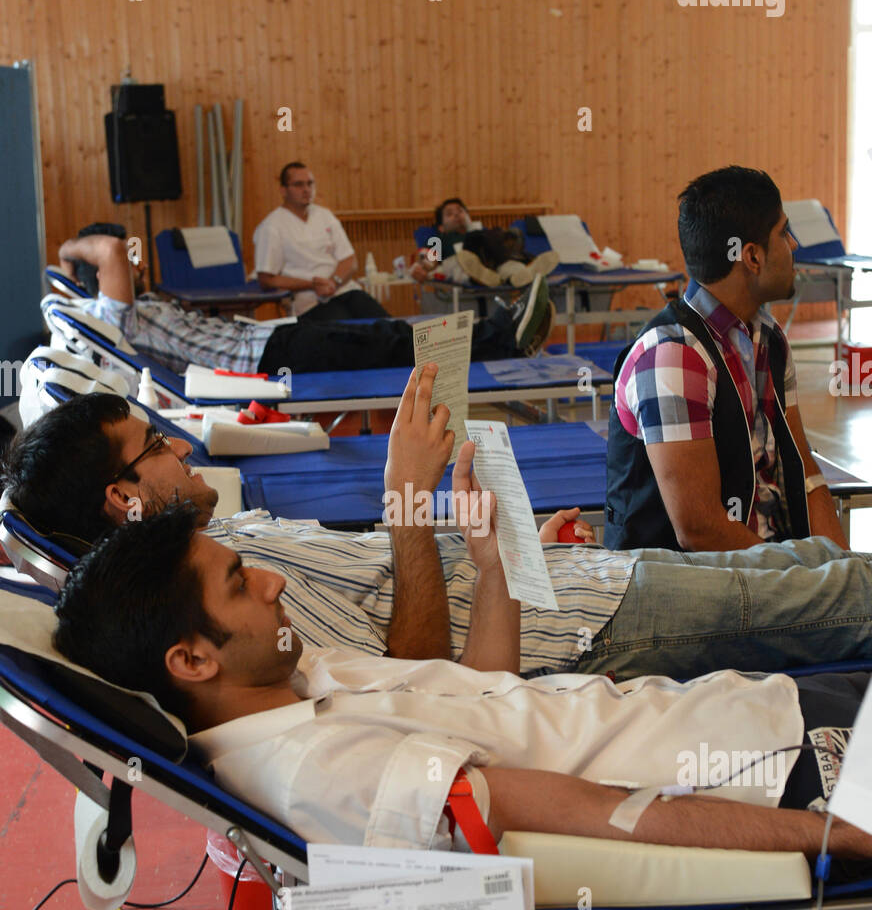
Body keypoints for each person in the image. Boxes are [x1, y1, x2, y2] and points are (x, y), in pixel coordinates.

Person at [52, 497, 872, 874]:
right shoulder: (318, 769)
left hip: (752, 710)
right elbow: (609, 817)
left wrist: (492, 569)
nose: (270, 581)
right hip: (776, 765)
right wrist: (828, 833)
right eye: (238, 582)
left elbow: (480, 693)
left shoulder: (296, 678)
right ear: (193, 661)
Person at [6, 387, 872, 683]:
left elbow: (392, 576)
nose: (181, 445)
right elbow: (415, 673)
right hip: (582, 629)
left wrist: (504, 543)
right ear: (123, 499)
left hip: (565, 584)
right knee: (836, 594)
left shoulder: (218, 540)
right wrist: (402, 494)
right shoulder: (220, 600)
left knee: (805, 560)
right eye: (155, 446)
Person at [605, 166, 849, 552]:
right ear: (751, 256)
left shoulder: (769, 339)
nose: (795, 246)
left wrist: (842, 569)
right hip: (688, 590)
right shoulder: (672, 357)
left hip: (761, 571)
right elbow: (700, 530)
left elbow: (803, 470)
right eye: (784, 233)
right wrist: (800, 578)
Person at [54, 228, 555, 377]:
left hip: (269, 339)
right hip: (266, 359)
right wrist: (66, 253)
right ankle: (503, 339)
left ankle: (500, 334)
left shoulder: (132, 310)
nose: (136, 266)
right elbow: (113, 251)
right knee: (391, 342)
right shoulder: (108, 316)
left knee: (387, 335)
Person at [253, 162, 389, 323]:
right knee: (346, 332)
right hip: (309, 303)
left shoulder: (325, 216)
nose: (306, 189)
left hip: (343, 289)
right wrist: (311, 285)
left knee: (387, 325)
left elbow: (350, 260)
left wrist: (333, 281)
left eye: (310, 183)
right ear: (283, 190)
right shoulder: (271, 226)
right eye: (298, 184)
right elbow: (267, 279)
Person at [411, 198, 557, 289]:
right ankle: (481, 276)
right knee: (461, 262)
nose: (456, 215)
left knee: (505, 264)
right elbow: (429, 260)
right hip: (459, 265)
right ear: (441, 227)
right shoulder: (439, 239)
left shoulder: (483, 234)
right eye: (449, 214)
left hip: (489, 264)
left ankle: (520, 274)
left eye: (460, 211)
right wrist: (419, 267)